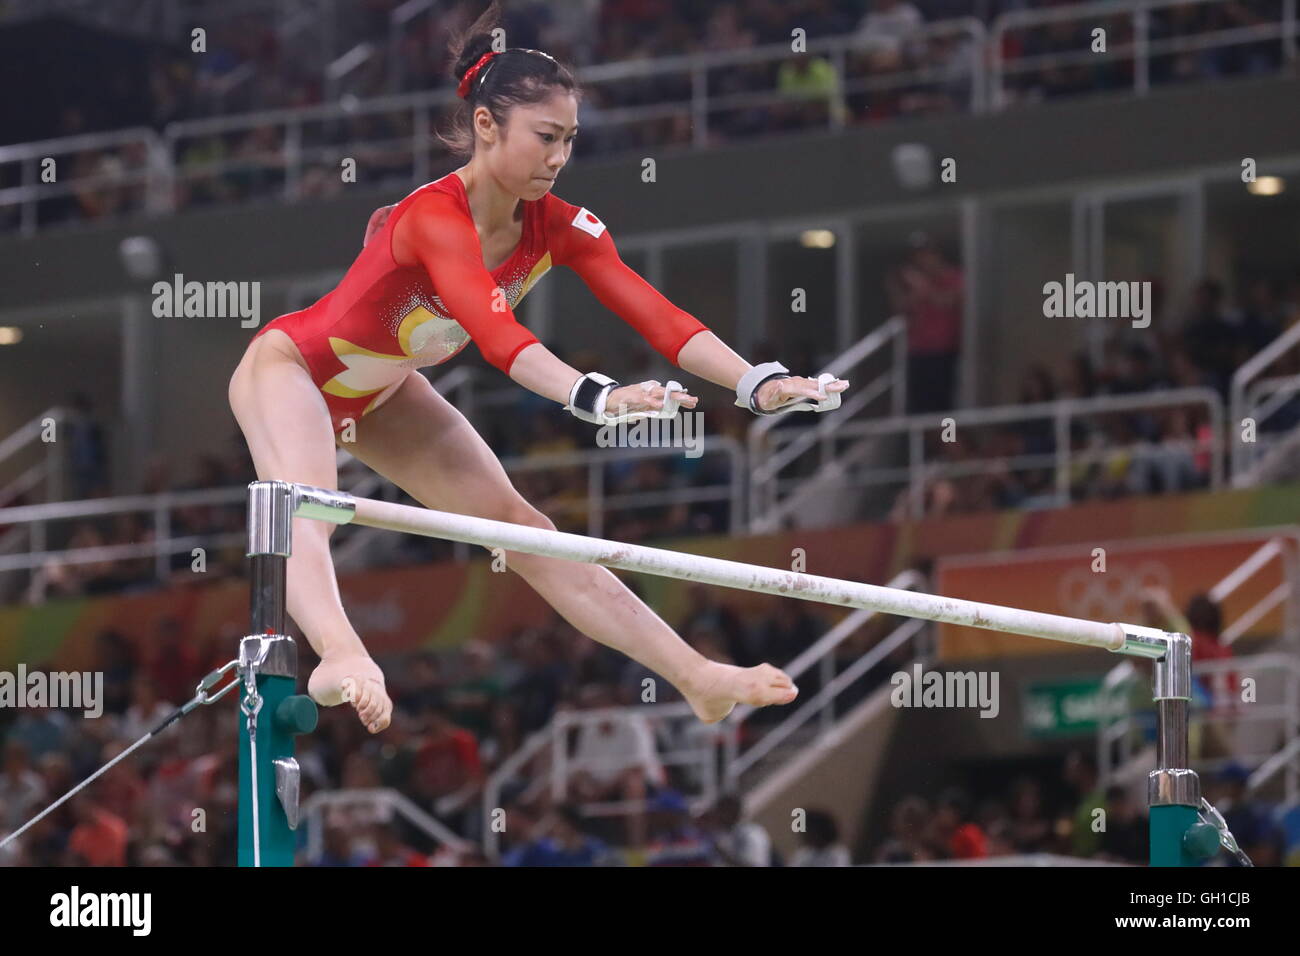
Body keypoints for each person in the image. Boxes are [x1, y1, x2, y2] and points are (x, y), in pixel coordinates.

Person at [228, 1, 843, 736]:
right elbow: (497, 336)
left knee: (525, 530)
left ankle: (696, 676)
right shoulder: (434, 217)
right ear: (487, 125)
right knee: (307, 501)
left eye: (569, 140)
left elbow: (658, 316)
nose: (558, 158)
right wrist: (597, 397)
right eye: (545, 137)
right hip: (293, 366)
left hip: (384, 392)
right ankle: (341, 652)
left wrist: (755, 382)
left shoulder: (560, 226)